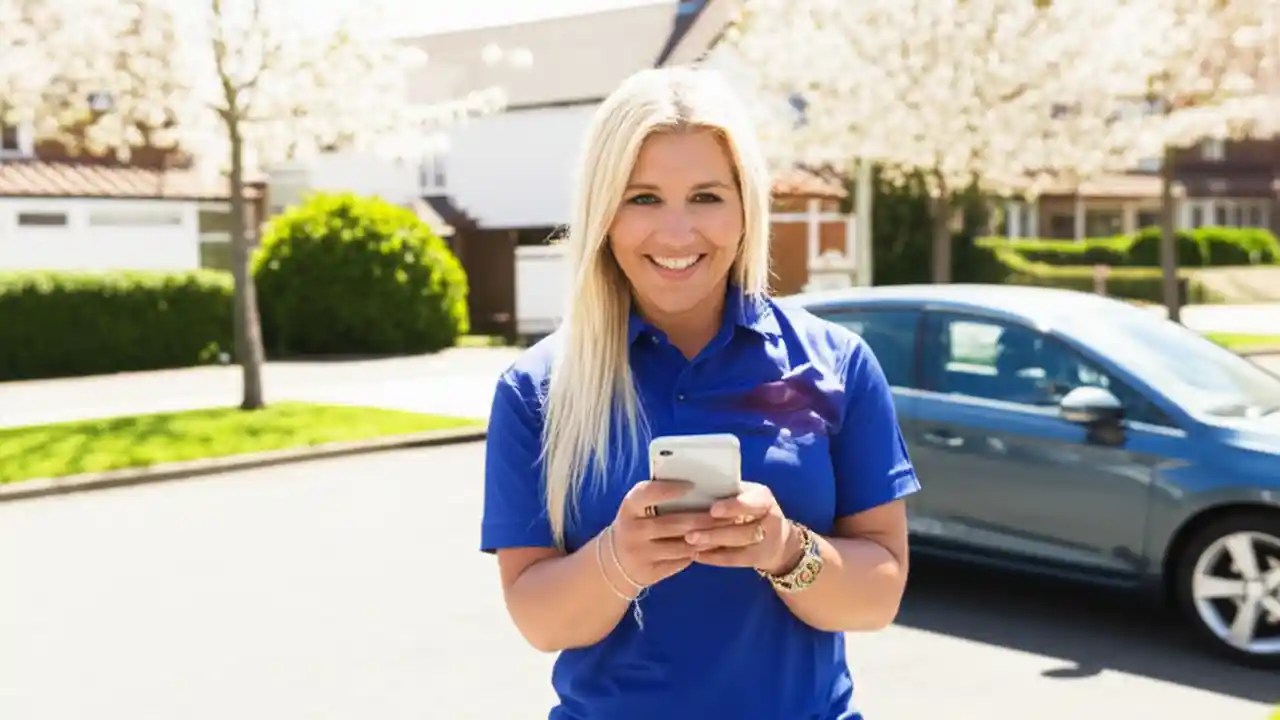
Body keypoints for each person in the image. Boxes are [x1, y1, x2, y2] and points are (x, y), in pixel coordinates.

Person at [481, 66, 921, 720]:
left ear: (746, 207)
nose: (678, 234)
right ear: (603, 213)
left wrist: (783, 548)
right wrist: (619, 558)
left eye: (708, 196)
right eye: (644, 198)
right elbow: (540, 622)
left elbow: (878, 597)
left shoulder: (837, 365)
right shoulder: (537, 389)